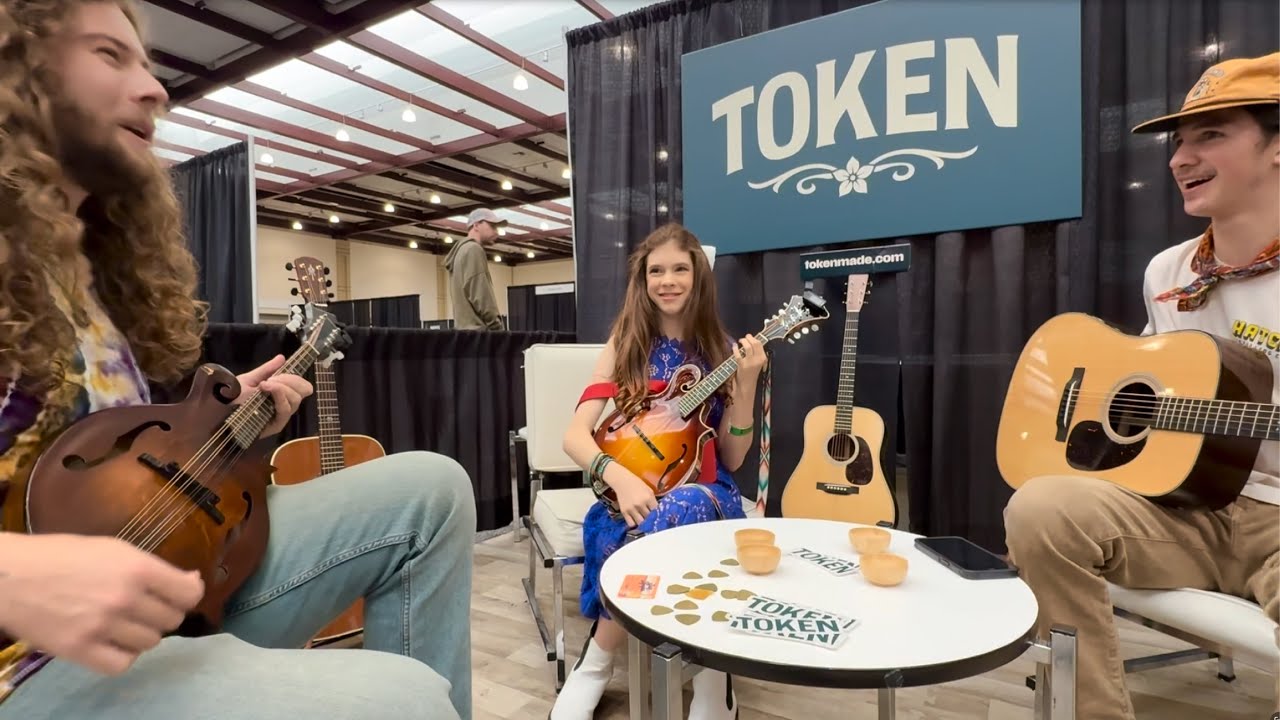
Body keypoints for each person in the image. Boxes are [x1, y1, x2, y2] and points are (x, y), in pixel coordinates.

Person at [0, 2, 476, 719]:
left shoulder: (81, 271)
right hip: (29, 669)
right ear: (18, 68)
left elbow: (97, 463)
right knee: (402, 703)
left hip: (168, 583)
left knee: (433, 490)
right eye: (110, 54)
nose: (154, 88)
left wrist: (226, 431)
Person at [1003, 51, 1279, 720]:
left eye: (1211, 135)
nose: (1180, 158)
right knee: (1041, 510)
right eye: (1179, 142)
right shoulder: (1169, 269)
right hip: (1194, 509)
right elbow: (1163, 384)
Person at [549, 223, 766, 720]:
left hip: (706, 490)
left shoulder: (724, 350)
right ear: (643, 281)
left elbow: (733, 459)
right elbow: (574, 436)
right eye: (656, 270)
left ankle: (614, 659)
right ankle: (681, 669)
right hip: (632, 493)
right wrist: (619, 477)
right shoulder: (623, 346)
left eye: (680, 269)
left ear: (699, 277)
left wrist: (748, 383)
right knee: (646, 519)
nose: (668, 280)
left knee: (678, 511)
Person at [444, 208, 505, 330]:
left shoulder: (460, 252)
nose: (497, 232)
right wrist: (497, 328)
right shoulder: (473, 249)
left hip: (465, 334)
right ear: (476, 225)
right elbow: (480, 294)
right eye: (492, 226)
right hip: (480, 335)